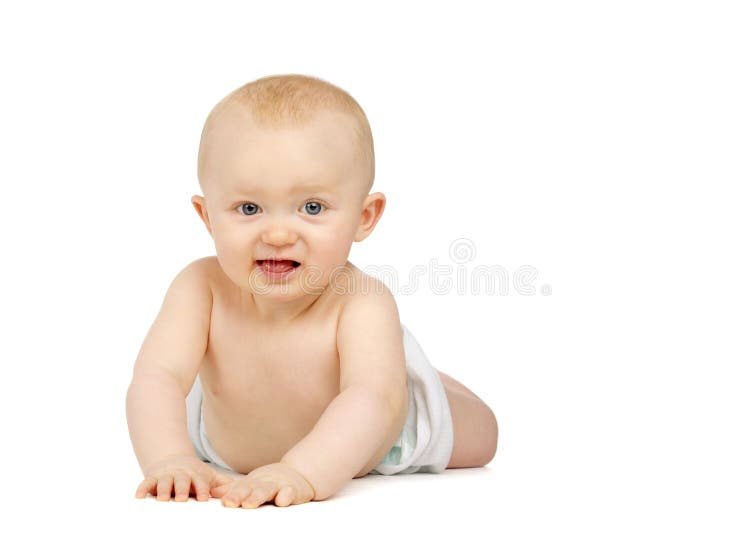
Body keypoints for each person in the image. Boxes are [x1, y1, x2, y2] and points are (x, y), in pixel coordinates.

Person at [126, 74, 498, 508]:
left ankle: (418, 379)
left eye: (312, 207)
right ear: (207, 216)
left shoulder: (360, 301)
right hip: (225, 442)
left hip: (377, 430)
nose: (279, 233)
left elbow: (371, 399)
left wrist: (302, 471)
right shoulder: (199, 288)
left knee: (484, 435)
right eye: (249, 208)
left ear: (365, 216)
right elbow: (157, 377)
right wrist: (170, 458)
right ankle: (399, 369)